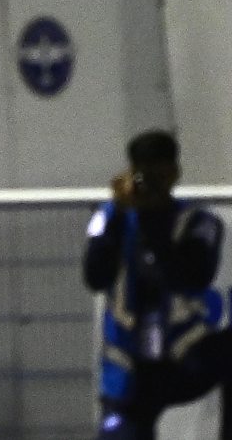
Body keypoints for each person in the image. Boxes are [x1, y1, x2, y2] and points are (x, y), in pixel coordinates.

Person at [85, 130, 231, 439]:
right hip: (130, 364)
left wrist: (156, 226)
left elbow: (194, 276)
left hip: (183, 352)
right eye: (144, 176)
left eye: (159, 175)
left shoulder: (198, 221)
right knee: (120, 433)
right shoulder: (111, 216)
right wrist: (118, 217)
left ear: (174, 174)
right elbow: (94, 276)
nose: (152, 185)